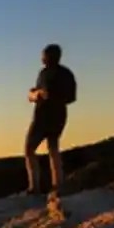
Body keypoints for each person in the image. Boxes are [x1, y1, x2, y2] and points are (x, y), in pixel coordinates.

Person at [24, 43, 77, 195]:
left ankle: (53, 185)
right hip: (43, 115)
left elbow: (71, 97)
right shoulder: (43, 73)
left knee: (48, 148)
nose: (42, 58)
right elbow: (37, 93)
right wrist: (36, 94)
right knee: (40, 149)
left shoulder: (64, 74)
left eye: (44, 55)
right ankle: (38, 186)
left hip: (53, 115)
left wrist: (52, 96)